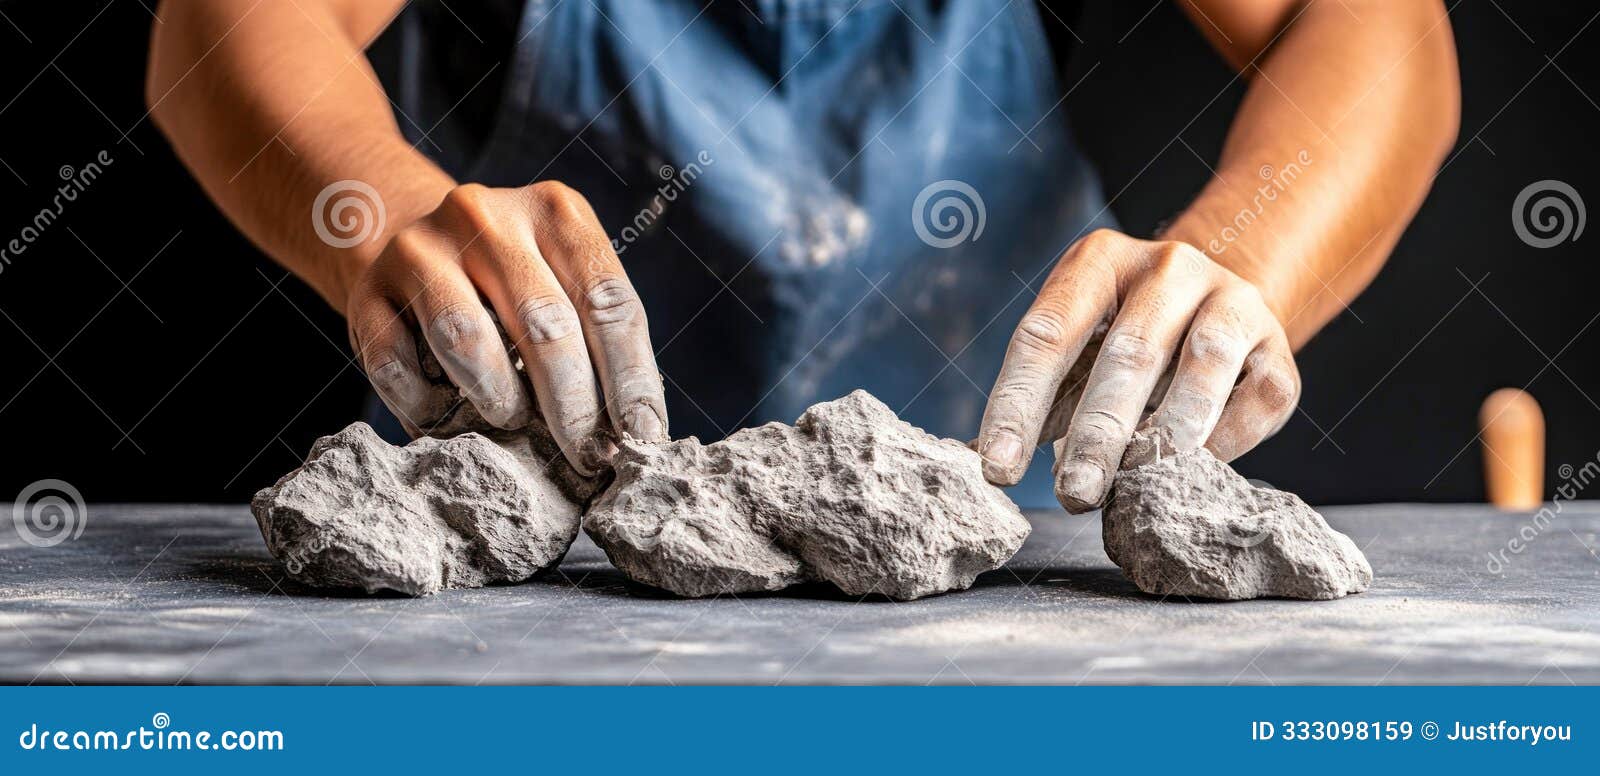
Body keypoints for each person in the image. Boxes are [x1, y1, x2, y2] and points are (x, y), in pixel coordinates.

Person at [146, 0, 1459, 507]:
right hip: (549, 594)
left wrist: (1241, 260)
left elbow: (1378, 31)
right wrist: (379, 208)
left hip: (1017, 588)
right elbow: (218, 26)